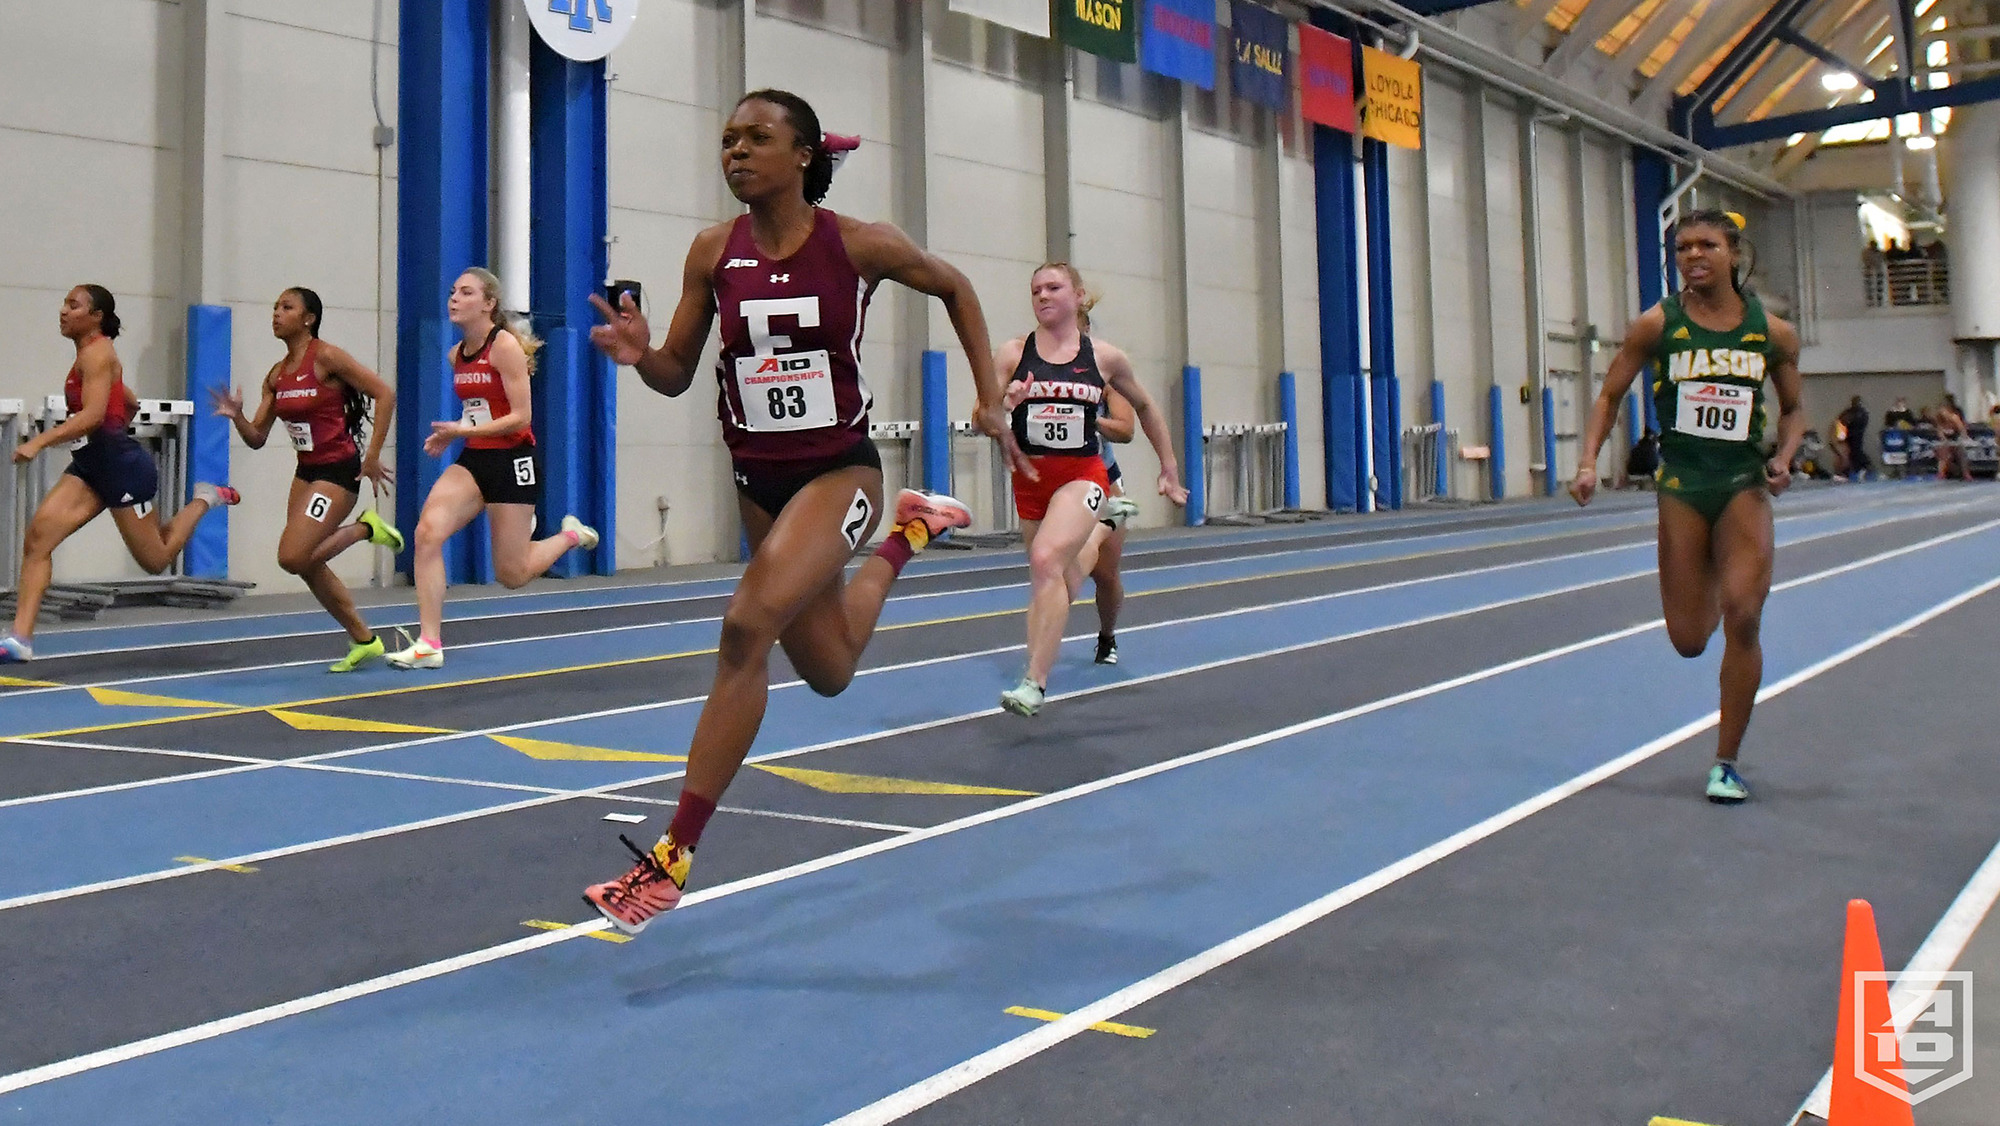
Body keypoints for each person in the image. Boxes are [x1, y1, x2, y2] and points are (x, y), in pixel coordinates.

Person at [579, 89, 1028, 933]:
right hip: (758, 481)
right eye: (728, 140)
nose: (737, 152)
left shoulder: (859, 244)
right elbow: (676, 372)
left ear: (804, 155)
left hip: (838, 473)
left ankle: (670, 861)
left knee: (746, 627)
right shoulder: (711, 252)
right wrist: (642, 356)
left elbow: (956, 288)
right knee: (828, 669)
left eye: (757, 138)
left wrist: (989, 395)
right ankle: (909, 533)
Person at [1569, 211, 1805, 804]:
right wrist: (1587, 461)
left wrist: (1785, 456)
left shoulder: (1772, 333)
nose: (1693, 255)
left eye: (1707, 245)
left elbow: (1795, 409)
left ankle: (1726, 762)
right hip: (1682, 487)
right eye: (1683, 247)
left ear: (1734, 254)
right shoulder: (1657, 325)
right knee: (1689, 639)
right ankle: (1714, 576)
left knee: (1744, 615)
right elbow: (1609, 395)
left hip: (1744, 484)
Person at [0, 285, 240, 662]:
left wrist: (40, 442)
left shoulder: (98, 354)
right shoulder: (90, 356)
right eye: (64, 304)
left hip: (123, 471)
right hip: (91, 467)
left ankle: (204, 499)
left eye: (73, 305)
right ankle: (20, 639)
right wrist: (115, 429)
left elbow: (92, 416)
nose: (63, 311)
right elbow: (127, 400)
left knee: (155, 560)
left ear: (96, 317)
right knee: (38, 541)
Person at [996, 263, 1187, 716]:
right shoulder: (1012, 353)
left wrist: (1169, 466)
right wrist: (1004, 404)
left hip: (1083, 475)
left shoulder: (1105, 358)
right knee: (1057, 580)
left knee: (1046, 560)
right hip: (1031, 480)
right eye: (1036, 290)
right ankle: (1103, 528)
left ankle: (1034, 683)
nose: (1043, 296)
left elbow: (1143, 409)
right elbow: (981, 415)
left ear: (1079, 296)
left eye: (1054, 287)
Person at [384, 269, 600, 670]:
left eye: (466, 292)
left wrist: (462, 430)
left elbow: (521, 417)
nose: (454, 298)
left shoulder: (504, 348)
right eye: (453, 291)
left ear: (488, 304)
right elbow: (478, 411)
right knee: (427, 533)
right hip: (475, 459)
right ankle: (429, 643)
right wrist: (457, 432)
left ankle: (570, 535)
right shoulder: (456, 355)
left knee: (511, 575)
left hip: (513, 461)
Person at [212, 288, 404, 671]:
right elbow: (257, 438)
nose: (276, 313)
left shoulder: (327, 357)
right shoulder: (276, 375)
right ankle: (364, 639)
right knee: (305, 564)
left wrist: (372, 455)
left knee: (292, 556)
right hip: (306, 473)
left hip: (338, 471)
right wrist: (237, 417)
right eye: (274, 307)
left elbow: (384, 393)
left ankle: (365, 529)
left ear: (308, 318)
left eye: (286, 307)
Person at [1090, 386, 1137, 665]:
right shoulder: (1031, 371)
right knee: (1050, 571)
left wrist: (1088, 418)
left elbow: (1126, 429)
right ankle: (1040, 656)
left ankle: (1107, 636)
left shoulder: (1105, 377)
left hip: (1103, 478)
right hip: (1053, 480)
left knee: (1105, 573)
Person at [1935, 394, 1971, 481]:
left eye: (1944, 410)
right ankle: (1941, 473)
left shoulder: (1954, 418)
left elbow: (1962, 429)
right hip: (1947, 439)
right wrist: (1944, 440)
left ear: (1947, 410)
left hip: (1957, 438)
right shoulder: (1940, 419)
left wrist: (1963, 438)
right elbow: (1940, 431)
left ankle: (1966, 474)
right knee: (1943, 454)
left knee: (1962, 454)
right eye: (1941, 411)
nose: (1942, 412)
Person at [1836, 395, 1870, 481]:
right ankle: (1850, 471)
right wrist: (1841, 435)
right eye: (1855, 401)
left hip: (1857, 435)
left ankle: (1863, 467)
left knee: (1856, 452)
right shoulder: (1848, 412)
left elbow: (1863, 424)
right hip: (1849, 435)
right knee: (1850, 453)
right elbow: (1841, 423)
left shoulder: (1862, 412)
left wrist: (1855, 431)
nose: (1856, 403)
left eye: (1858, 402)